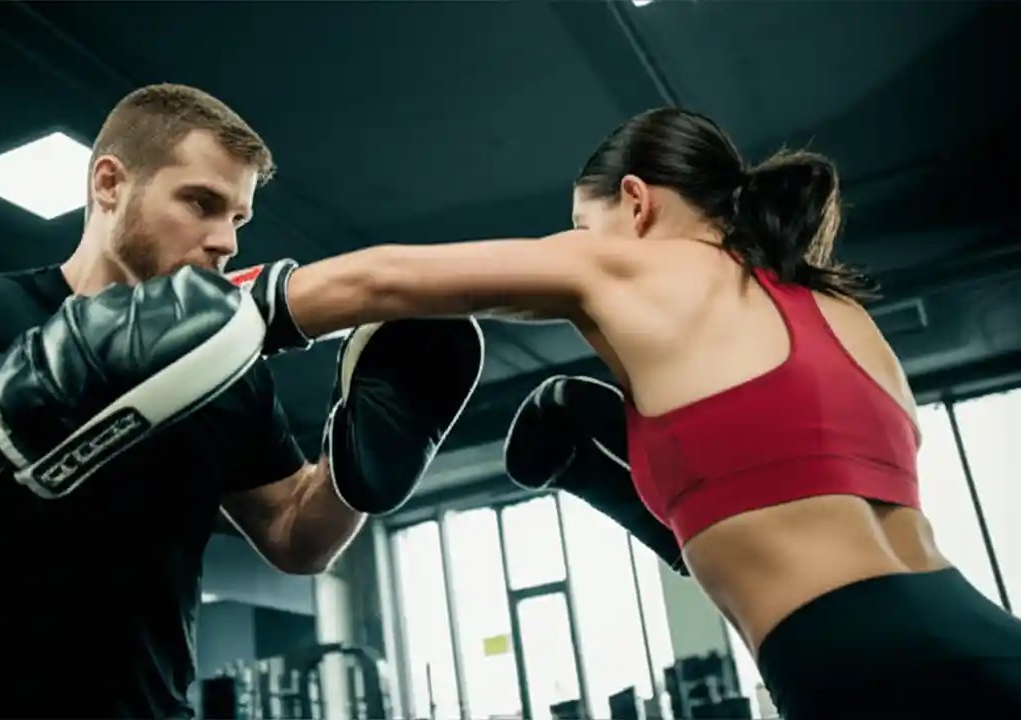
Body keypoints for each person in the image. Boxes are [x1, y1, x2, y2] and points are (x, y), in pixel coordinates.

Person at [247, 107, 1021, 717]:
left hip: (859, 670)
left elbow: (387, 280)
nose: (579, 245)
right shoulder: (835, 306)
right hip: (983, 637)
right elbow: (773, 499)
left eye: (582, 227)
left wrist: (224, 311)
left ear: (636, 201)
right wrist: (613, 473)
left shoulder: (627, 260)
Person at [0, 83, 482, 720]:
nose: (228, 240)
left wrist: (358, 463)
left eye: (239, 216)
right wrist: (59, 367)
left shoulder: (228, 368)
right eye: (202, 203)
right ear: (109, 183)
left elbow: (295, 537)